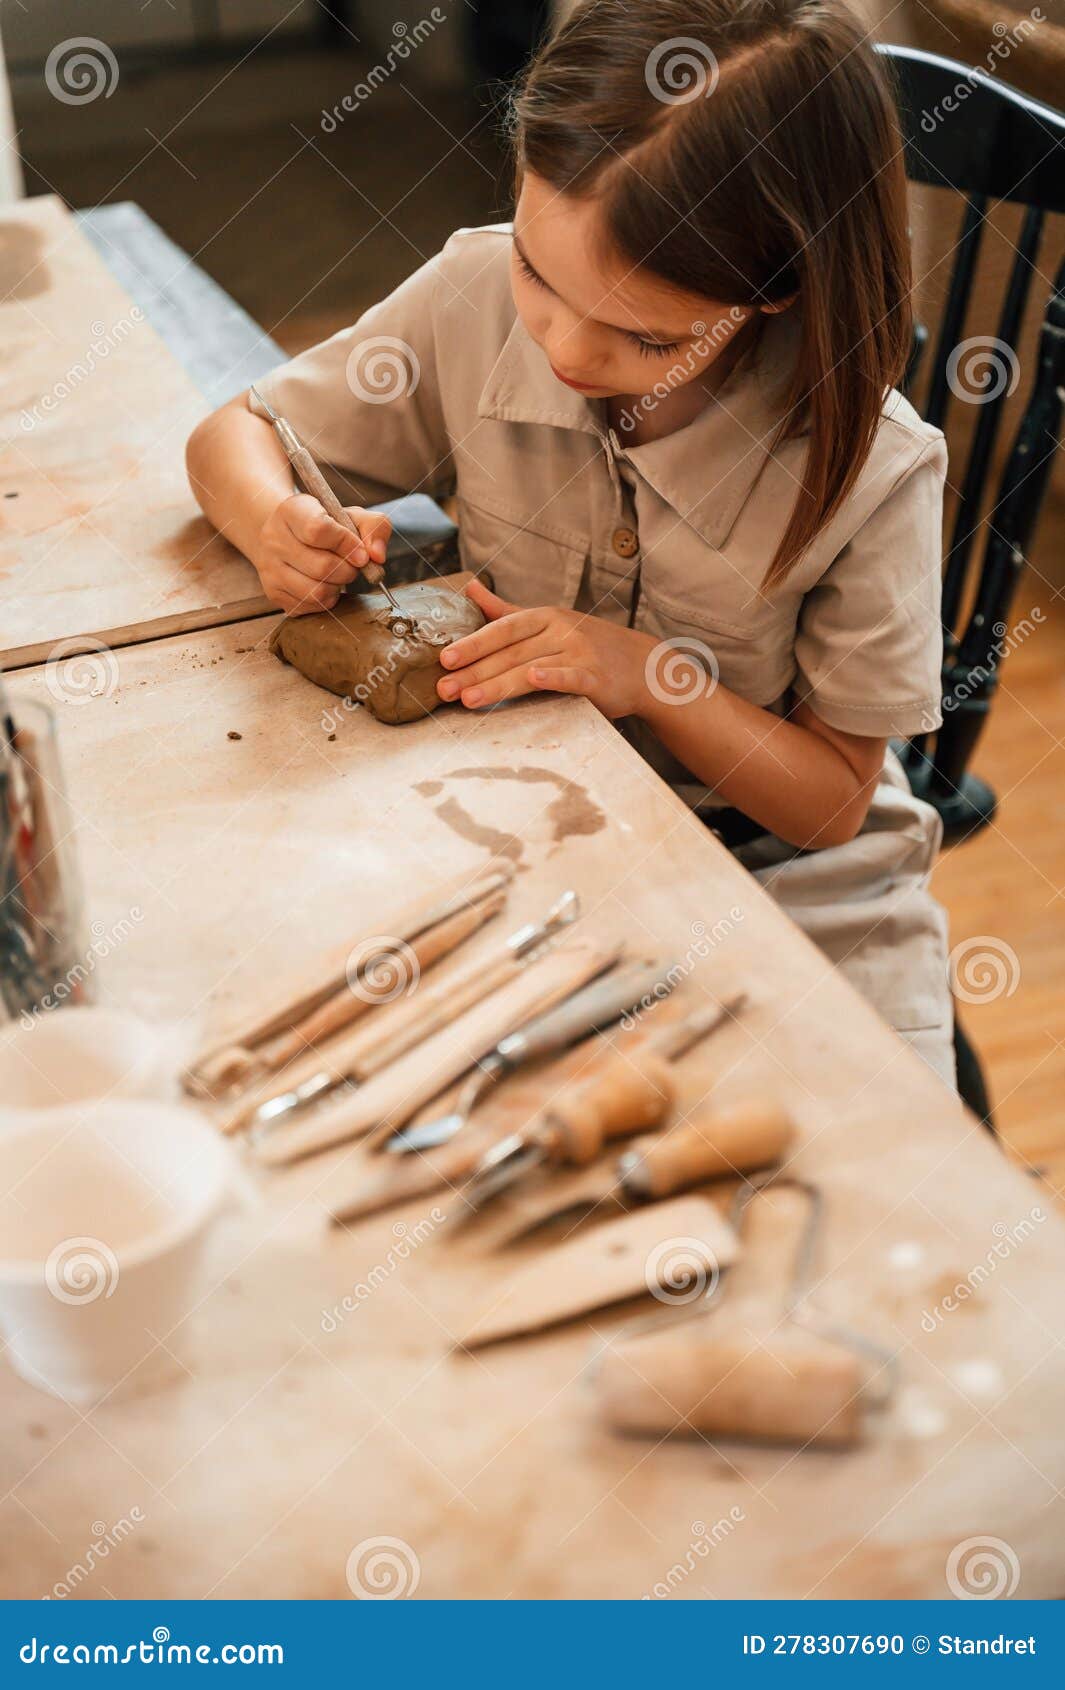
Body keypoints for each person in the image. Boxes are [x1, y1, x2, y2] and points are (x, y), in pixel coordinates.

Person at [187, 0, 954, 1085]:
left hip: (783, 878)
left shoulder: (870, 467)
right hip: (530, 820)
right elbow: (234, 435)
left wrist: (649, 678)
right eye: (539, 276)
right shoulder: (472, 297)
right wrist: (276, 521)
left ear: (775, 292)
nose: (565, 348)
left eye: (644, 336)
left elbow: (832, 802)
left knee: (849, 1142)